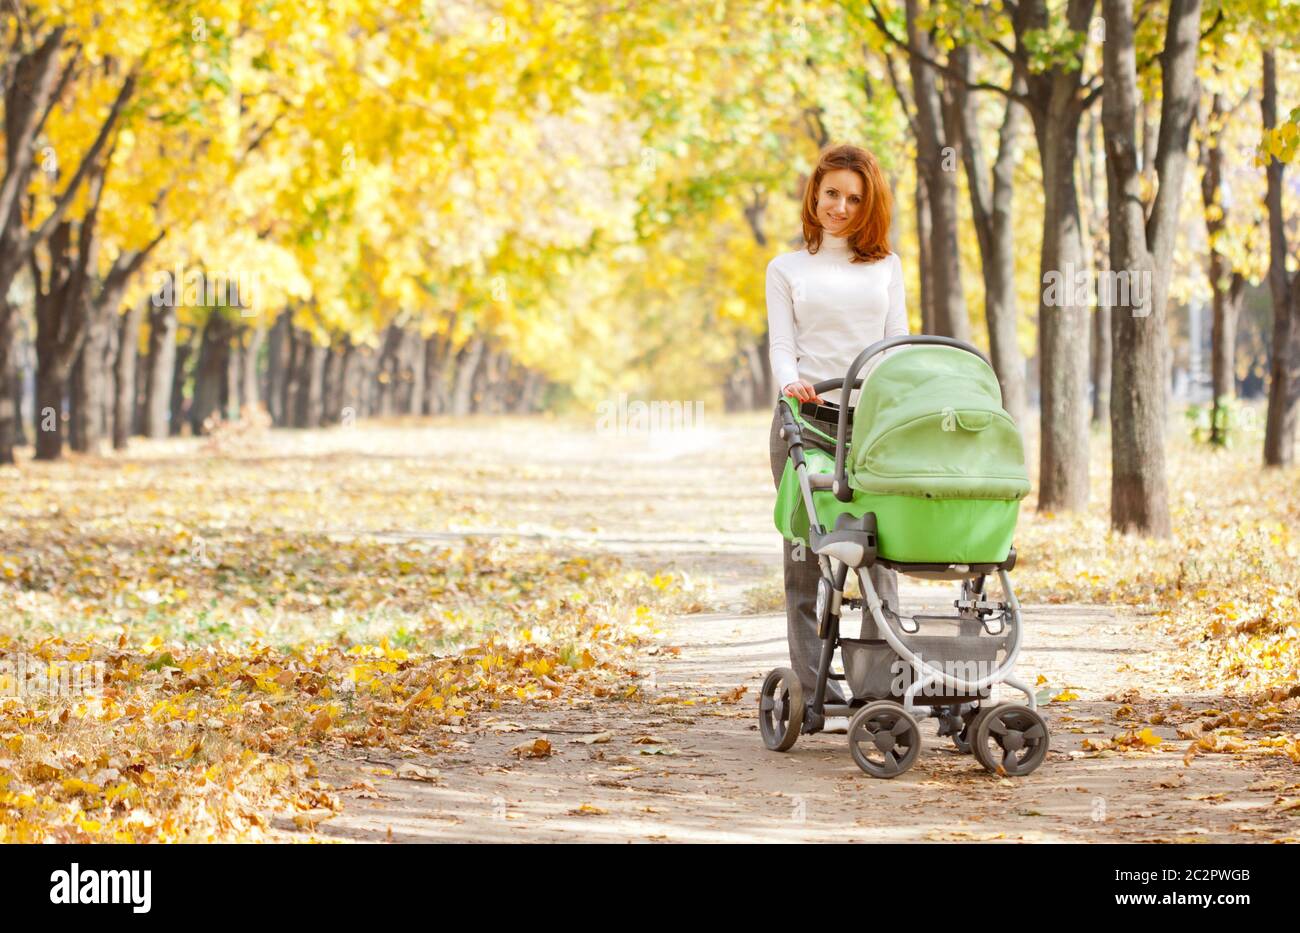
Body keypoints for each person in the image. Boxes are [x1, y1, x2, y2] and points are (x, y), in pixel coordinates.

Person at [765, 142, 907, 712]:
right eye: (831, 194)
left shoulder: (886, 267)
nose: (840, 207)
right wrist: (789, 383)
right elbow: (782, 346)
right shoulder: (786, 268)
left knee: (878, 551)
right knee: (805, 557)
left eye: (853, 197)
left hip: (869, 425)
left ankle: (878, 684)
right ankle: (814, 685)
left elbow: (896, 342)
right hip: (806, 422)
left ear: (868, 203)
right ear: (814, 194)